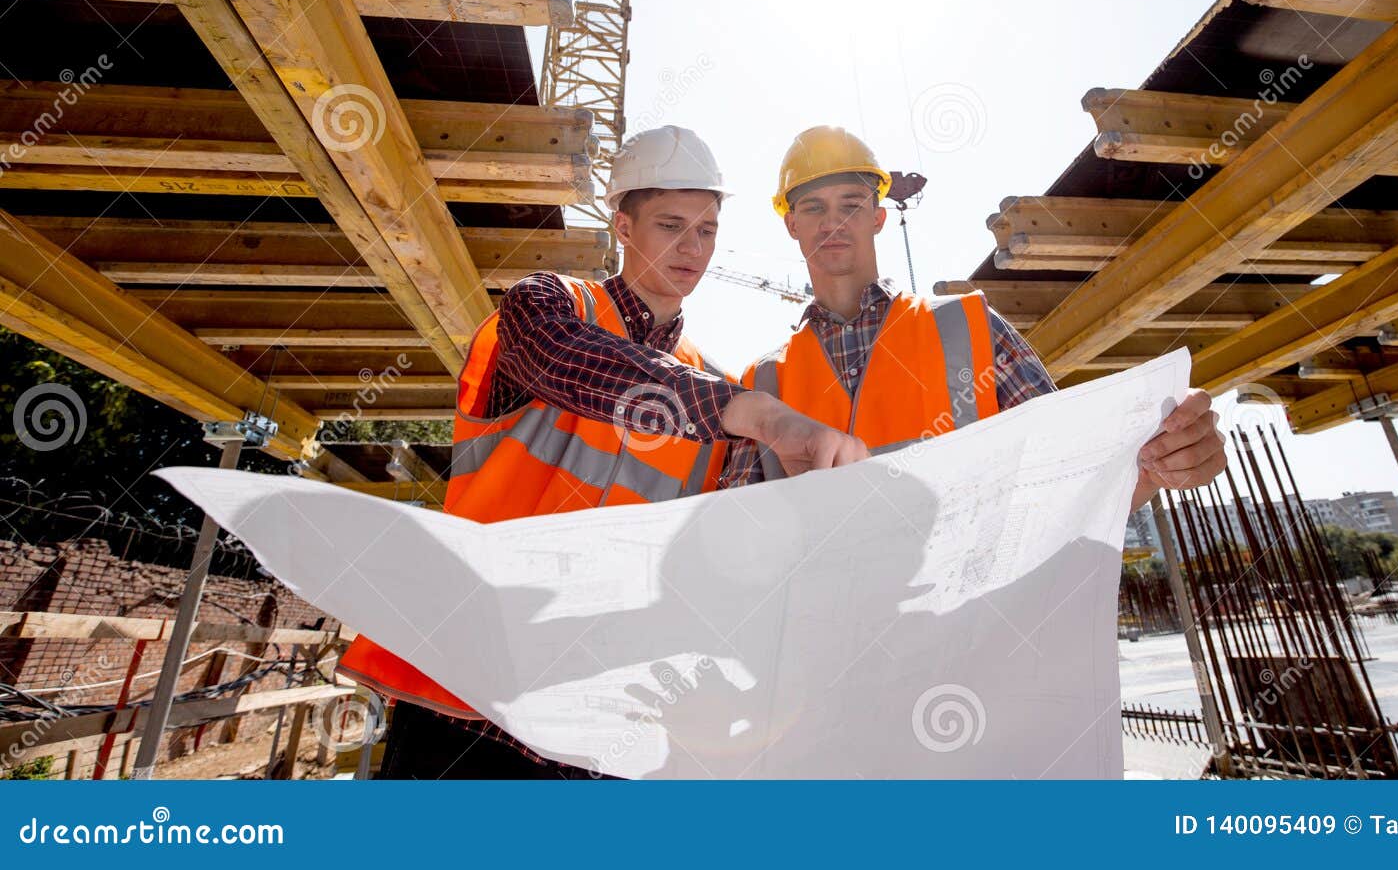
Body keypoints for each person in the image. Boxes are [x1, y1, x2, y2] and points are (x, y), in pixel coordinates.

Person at [337, 125, 867, 778]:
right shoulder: (550, 307)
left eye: (706, 230)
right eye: (670, 224)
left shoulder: (719, 392)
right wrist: (752, 412)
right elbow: (565, 359)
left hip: (596, 733)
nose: (691, 248)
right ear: (622, 224)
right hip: (469, 710)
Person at [725, 125, 1226, 508]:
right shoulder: (764, 384)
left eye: (850, 204)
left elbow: (1070, 478)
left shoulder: (967, 329)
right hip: (829, 639)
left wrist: (1159, 469)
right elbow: (737, 541)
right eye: (813, 208)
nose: (832, 222)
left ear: (878, 215)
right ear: (791, 224)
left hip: (972, 631)